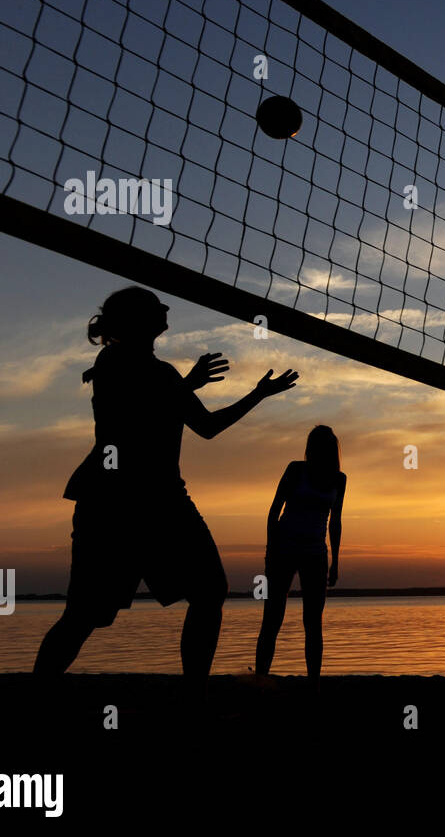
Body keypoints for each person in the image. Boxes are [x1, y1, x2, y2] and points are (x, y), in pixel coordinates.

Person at [34, 286, 297, 686]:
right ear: (139, 320)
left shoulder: (162, 374)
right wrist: (187, 386)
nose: (167, 307)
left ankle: (194, 695)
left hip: (163, 502)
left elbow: (203, 426)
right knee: (85, 615)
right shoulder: (112, 363)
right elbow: (136, 415)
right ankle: (34, 694)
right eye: (158, 306)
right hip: (115, 503)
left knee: (210, 591)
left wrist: (256, 393)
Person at [255, 426, 346, 680]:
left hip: (316, 553)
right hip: (284, 548)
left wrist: (336, 562)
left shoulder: (339, 479)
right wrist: (271, 548)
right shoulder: (296, 470)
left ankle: (313, 684)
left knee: (313, 623)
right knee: (273, 618)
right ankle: (260, 679)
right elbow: (274, 511)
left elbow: (335, 522)